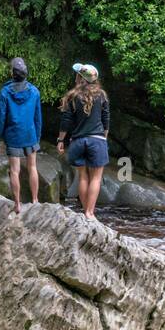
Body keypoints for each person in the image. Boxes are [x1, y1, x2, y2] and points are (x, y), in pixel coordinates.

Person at [55, 63, 110, 220]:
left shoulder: (72, 96)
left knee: (83, 177)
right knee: (96, 178)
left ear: (80, 78)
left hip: (78, 142)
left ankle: (85, 212)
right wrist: (104, 138)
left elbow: (66, 121)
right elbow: (106, 120)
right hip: (97, 140)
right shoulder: (102, 95)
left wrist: (60, 140)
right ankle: (89, 213)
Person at [0, 57, 43, 214]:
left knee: (15, 171)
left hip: (13, 135)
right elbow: (38, 117)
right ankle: (35, 200)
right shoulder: (34, 91)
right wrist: (38, 136)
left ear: (12, 73)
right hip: (30, 134)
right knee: (33, 167)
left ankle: (18, 204)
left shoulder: (5, 92)